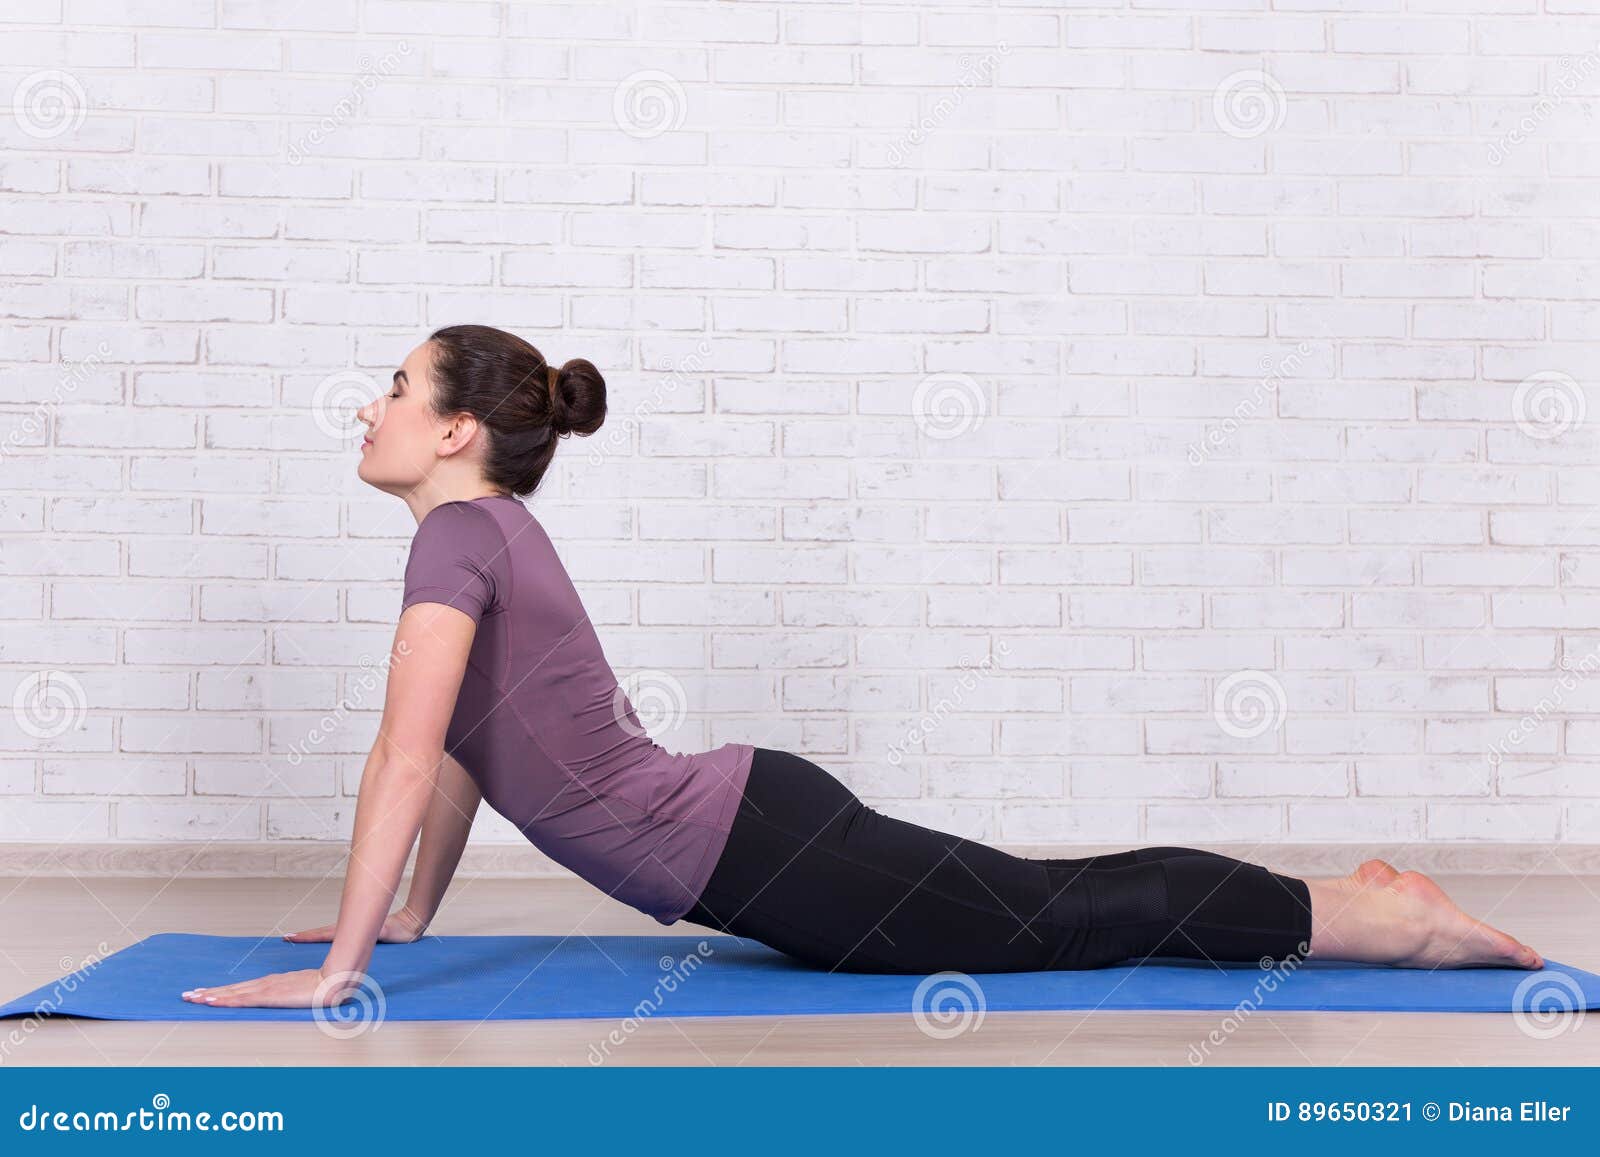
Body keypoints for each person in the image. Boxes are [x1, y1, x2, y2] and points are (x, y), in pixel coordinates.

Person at [181, 325, 1542, 1010]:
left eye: (395, 387)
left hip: (755, 846)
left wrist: (344, 963)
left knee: (1054, 920)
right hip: (754, 823)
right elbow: (472, 745)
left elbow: (406, 753)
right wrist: (411, 918)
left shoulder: (457, 546)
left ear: (456, 427)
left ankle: (1390, 917)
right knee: (1040, 904)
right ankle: (1359, 899)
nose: (370, 405)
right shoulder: (482, 536)